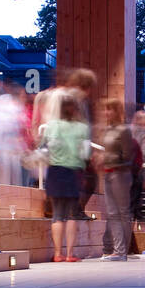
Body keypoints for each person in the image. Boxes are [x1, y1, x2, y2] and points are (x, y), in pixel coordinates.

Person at [39, 91, 90, 262]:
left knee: (57, 215)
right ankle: (69, 254)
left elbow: (44, 149)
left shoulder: (51, 126)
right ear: (75, 109)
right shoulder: (83, 128)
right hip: (74, 173)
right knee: (72, 215)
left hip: (55, 171)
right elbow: (86, 152)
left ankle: (57, 253)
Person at [96, 98, 138, 261]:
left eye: (110, 109)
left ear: (117, 111)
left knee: (123, 212)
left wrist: (108, 158)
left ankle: (122, 251)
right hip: (108, 173)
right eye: (105, 109)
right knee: (112, 213)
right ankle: (117, 250)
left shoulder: (123, 130)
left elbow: (128, 157)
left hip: (120, 174)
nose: (106, 112)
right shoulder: (108, 130)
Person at [62, 69, 99, 218]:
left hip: (76, 147)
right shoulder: (75, 100)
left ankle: (76, 209)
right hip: (74, 148)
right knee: (86, 179)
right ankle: (74, 209)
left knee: (87, 179)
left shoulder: (80, 101)